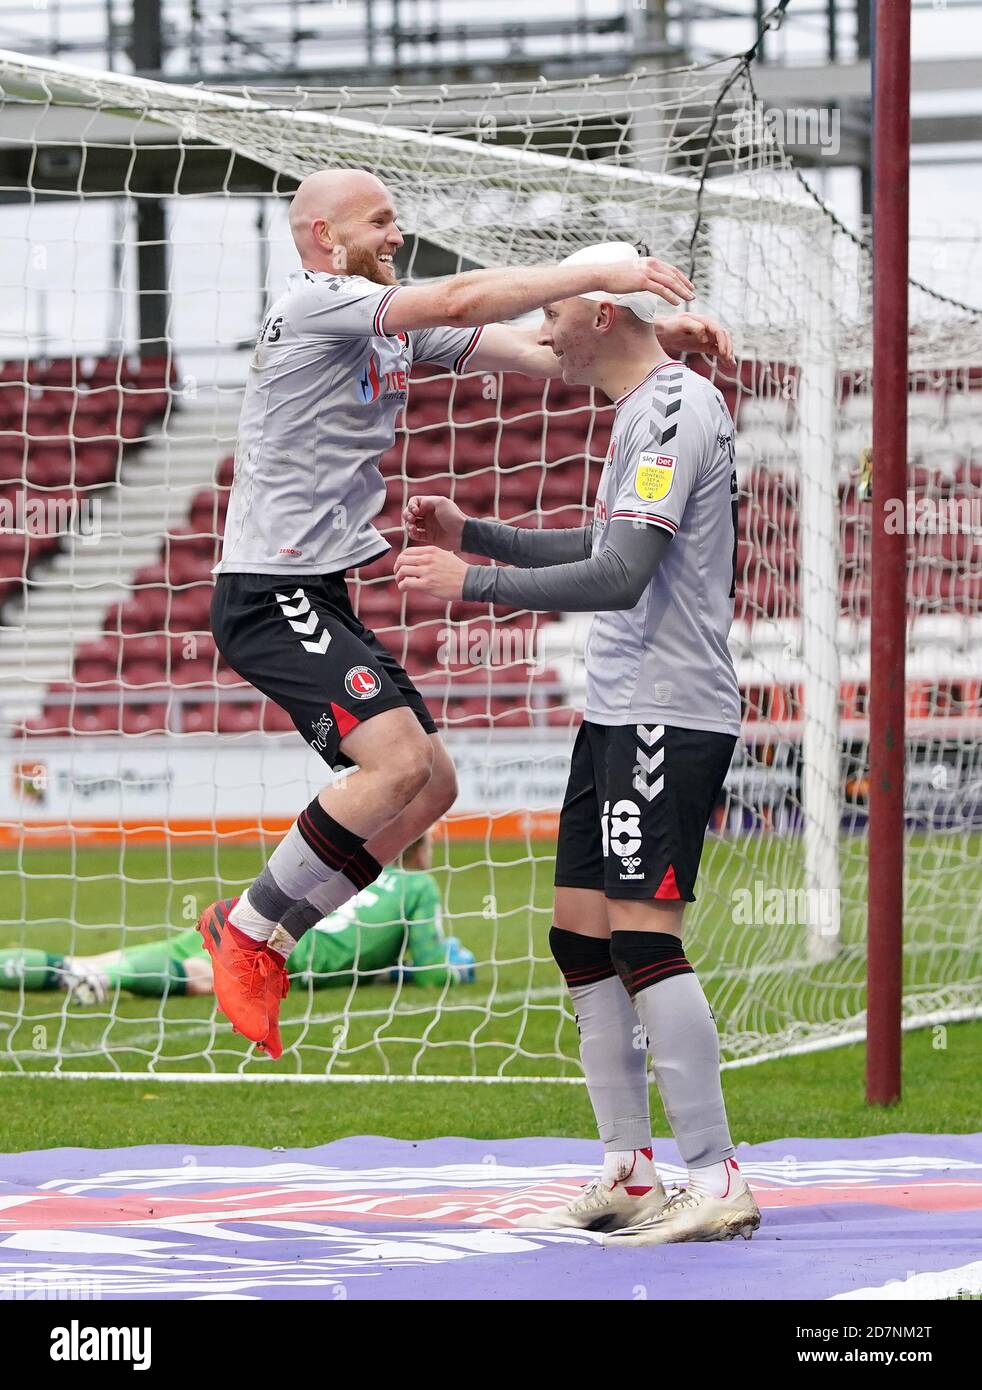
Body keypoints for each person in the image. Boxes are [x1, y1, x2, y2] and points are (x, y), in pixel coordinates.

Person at [199, 164, 729, 1062]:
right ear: (328, 239)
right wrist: (602, 266)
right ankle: (246, 931)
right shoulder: (316, 303)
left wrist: (640, 330)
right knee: (395, 763)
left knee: (433, 786)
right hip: (267, 588)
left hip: (319, 588)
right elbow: (464, 297)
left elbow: (531, 347)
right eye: (381, 220)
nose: (395, 236)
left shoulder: (388, 326)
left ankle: (273, 940)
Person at [393, 240, 758, 1247]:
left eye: (557, 308)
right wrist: (483, 534)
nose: (543, 324)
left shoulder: (675, 408)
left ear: (602, 316)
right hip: (619, 708)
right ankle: (629, 1172)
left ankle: (716, 1176)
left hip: (665, 710)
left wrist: (475, 586)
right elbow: (608, 546)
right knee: (579, 939)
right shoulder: (643, 408)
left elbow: (621, 577)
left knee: (643, 939)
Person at [0, 834, 474, 1008]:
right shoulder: (417, 887)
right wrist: (454, 967)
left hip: (253, 912)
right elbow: (433, 972)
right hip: (287, 949)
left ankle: (72, 969)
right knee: (203, 977)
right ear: (421, 850)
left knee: (134, 956)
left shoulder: (349, 868)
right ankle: (101, 979)